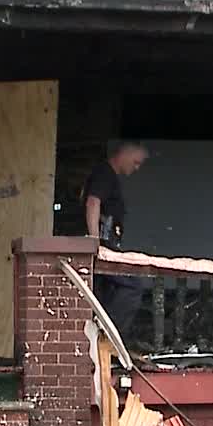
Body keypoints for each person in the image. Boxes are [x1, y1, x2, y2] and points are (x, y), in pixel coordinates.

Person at [83, 143, 147, 335]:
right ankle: (107, 333)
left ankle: (100, 339)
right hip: (102, 247)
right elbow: (93, 202)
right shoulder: (105, 174)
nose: (136, 168)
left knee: (105, 293)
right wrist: (94, 242)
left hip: (107, 246)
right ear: (124, 154)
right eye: (136, 162)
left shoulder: (109, 176)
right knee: (132, 286)